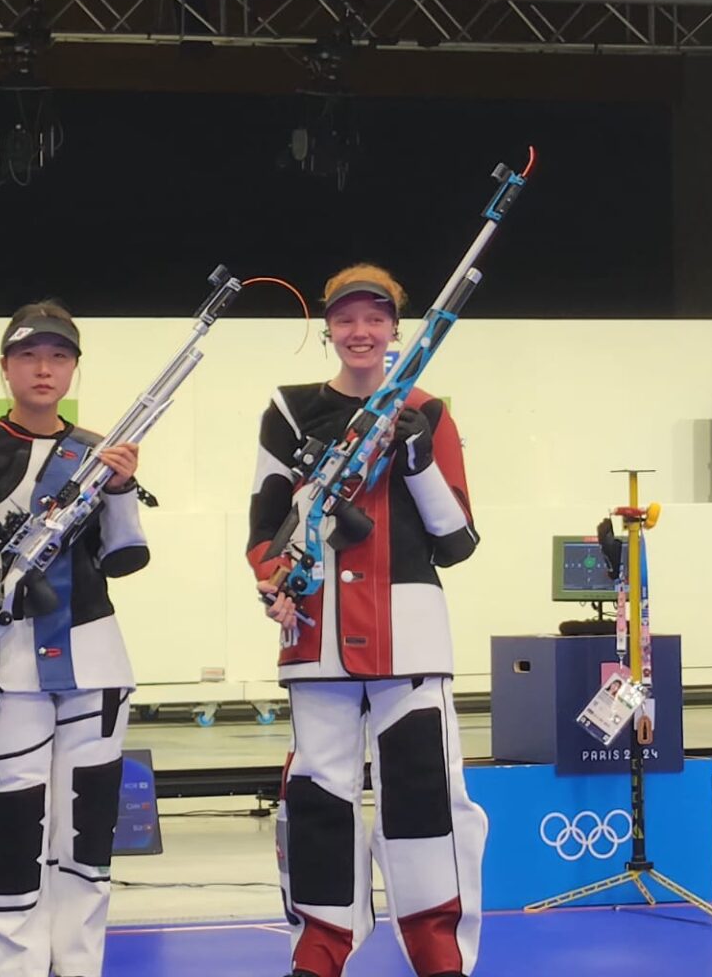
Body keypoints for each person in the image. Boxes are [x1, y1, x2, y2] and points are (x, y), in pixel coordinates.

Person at [247, 265, 486, 977]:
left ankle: (438, 950)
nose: (360, 332)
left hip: (411, 635)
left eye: (374, 319)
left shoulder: (429, 410)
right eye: (346, 319)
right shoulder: (288, 411)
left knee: (427, 798)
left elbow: (459, 540)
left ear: (395, 330)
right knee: (318, 795)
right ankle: (320, 948)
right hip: (316, 634)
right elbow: (265, 526)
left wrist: (417, 461)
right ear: (328, 329)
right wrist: (274, 584)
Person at [0, 301, 148, 977]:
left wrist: (123, 486)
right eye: (29, 356)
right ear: (6, 366)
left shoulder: (98, 448)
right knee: (17, 834)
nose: (44, 368)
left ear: (75, 367)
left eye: (58, 356)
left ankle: (79, 967)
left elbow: (125, 557)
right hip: (5, 659)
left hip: (96, 659)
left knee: (86, 839)